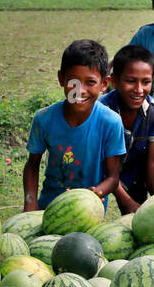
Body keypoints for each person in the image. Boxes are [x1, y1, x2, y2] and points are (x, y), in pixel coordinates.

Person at [22, 40, 126, 211]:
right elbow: (32, 165)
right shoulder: (44, 119)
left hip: (89, 213)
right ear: (61, 79)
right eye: (73, 81)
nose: (80, 90)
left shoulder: (111, 123)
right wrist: (30, 201)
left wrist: (94, 194)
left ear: (104, 84)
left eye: (90, 82)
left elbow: (113, 178)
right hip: (48, 208)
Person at [99, 45, 154, 213]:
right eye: (131, 81)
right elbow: (101, 162)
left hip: (134, 171)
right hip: (100, 171)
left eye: (146, 82)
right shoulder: (101, 112)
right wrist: (126, 201)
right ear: (114, 80)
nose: (139, 89)